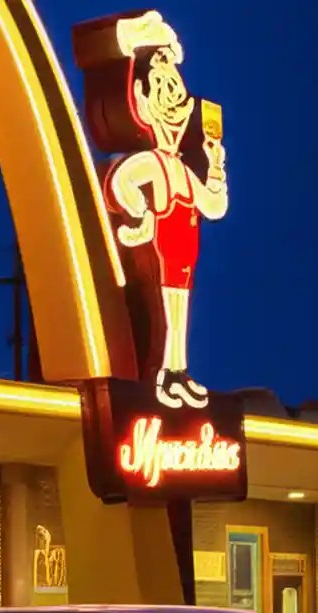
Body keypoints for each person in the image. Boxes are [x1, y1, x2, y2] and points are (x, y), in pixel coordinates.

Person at [99, 12, 229, 409]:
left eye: (176, 85)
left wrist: (216, 166)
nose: (173, 96)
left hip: (185, 261)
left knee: (179, 316)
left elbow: (214, 206)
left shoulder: (184, 170)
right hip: (162, 257)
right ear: (139, 99)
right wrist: (141, 218)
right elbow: (120, 183)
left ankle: (177, 372)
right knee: (167, 317)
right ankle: (167, 374)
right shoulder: (152, 164)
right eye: (161, 83)